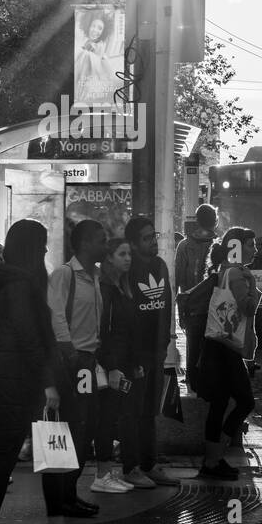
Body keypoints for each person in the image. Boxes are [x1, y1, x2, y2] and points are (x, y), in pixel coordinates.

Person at [0, 219, 90, 524]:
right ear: (30, 247)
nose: (46, 249)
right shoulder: (19, 286)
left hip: (22, 382)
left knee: (52, 457)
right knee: (6, 460)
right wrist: (48, 386)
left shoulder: (20, 282)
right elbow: (30, 340)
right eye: (41, 243)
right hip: (21, 385)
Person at [47, 219, 108, 518]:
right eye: (101, 239)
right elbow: (56, 314)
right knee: (78, 428)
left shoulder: (94, 275)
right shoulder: (65, 274)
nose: (105, 244)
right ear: (84, 243)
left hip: (89, 360)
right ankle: (64, 497)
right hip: (75, 361)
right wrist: (69, 351)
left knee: (88, 427)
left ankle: (69, 494)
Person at [198, 227, 260, 481]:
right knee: (245, 401)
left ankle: (212, 462)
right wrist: (254, 286)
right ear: (238, 246)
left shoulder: (224, 270)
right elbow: (248, 307)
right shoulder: (236, 273)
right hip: (227, 347)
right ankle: (213, 460)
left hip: (217, 344)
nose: (255, 249)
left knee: (220, 403)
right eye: (251, 245)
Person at [124, 215, 178, 486]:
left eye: (153, 236)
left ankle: (149, 462)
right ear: (133, 245)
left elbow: (166, 305)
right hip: (136, 353)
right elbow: (127, 315)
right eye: (146, 238)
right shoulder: (128, 270)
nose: (153, 242)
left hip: (156, 351)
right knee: (134, 412)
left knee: (149, 411)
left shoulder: (160, 266)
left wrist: (165, 343)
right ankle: (131, 466)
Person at [95, 237, 143, 494]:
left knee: (115, 415)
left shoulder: (121, 287)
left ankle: (107, 472)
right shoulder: (105, 288)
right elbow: (106, 331)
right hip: (111, 364)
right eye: (122, 254)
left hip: (122, 364)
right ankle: (102, 474)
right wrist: (112, 366)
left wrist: (132, 362)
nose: (128, 258)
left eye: (129, 254)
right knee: (107, 417)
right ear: (109, 257)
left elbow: (126, 330)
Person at [175, 205, 217, 395]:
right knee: (213, 350)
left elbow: (178, 280)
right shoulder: (220, 245)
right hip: (216, 307)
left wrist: (180, 311)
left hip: (192, 308)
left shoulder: (184, 246)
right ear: (215, 221)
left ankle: (194, 387)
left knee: (193, 349)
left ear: (197, 221)